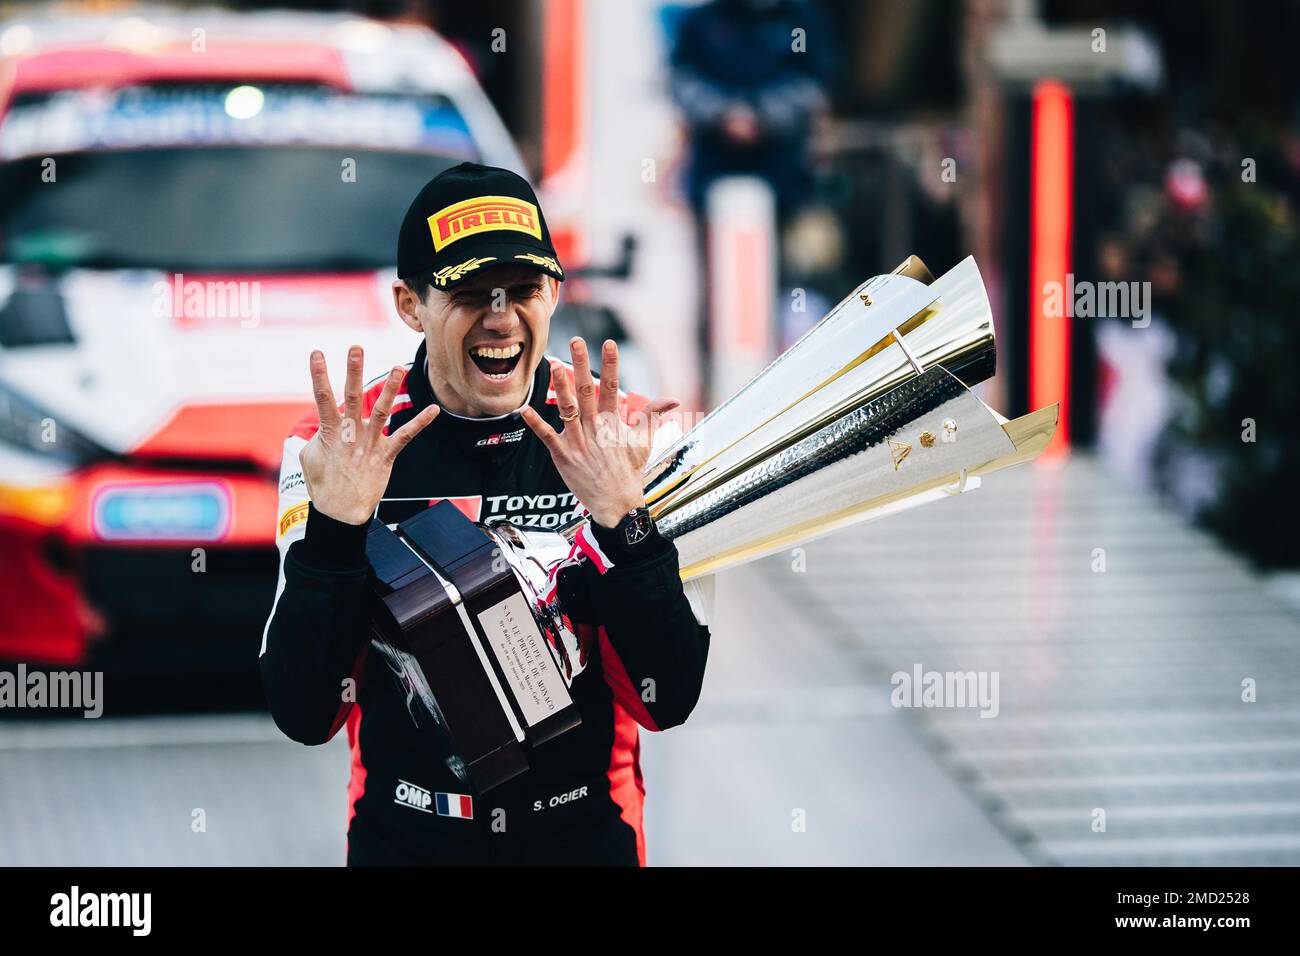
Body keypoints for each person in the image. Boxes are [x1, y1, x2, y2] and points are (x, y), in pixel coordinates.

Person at [260, 163, 712, 866]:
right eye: (470, 293)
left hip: (583, 834)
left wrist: (624, 519)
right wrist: (337, 531)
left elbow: (669, 698)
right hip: (407, 835)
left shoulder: (631, 435)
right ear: (411, 304)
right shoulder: (334, 447)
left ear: (555, 292)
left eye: (525, 289)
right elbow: (303, 712)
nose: (501, 317)